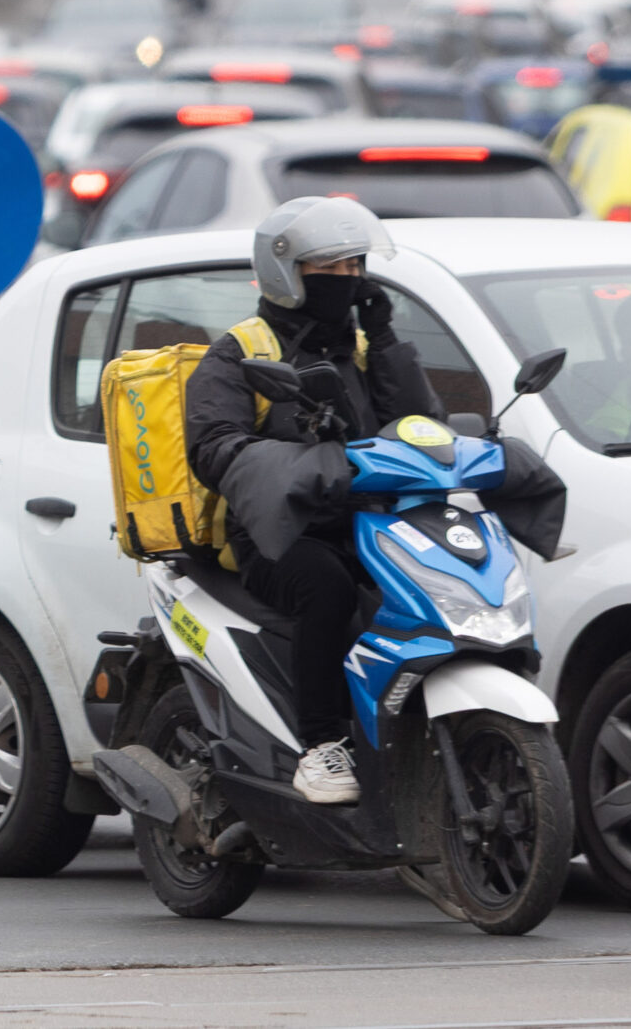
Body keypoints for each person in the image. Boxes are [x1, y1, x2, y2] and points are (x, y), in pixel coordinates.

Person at [184, 195, 443, 805]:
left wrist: (384, 339)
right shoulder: (242, 352)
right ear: (286, 272)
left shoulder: (355, 347)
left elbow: (417, 424)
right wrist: (302, 460)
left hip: (367, 518)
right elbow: (214, 446)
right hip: (276, 531)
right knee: (325, 587)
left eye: (356, 268)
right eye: (331, 269)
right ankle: (321, 747)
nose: (347, 281)